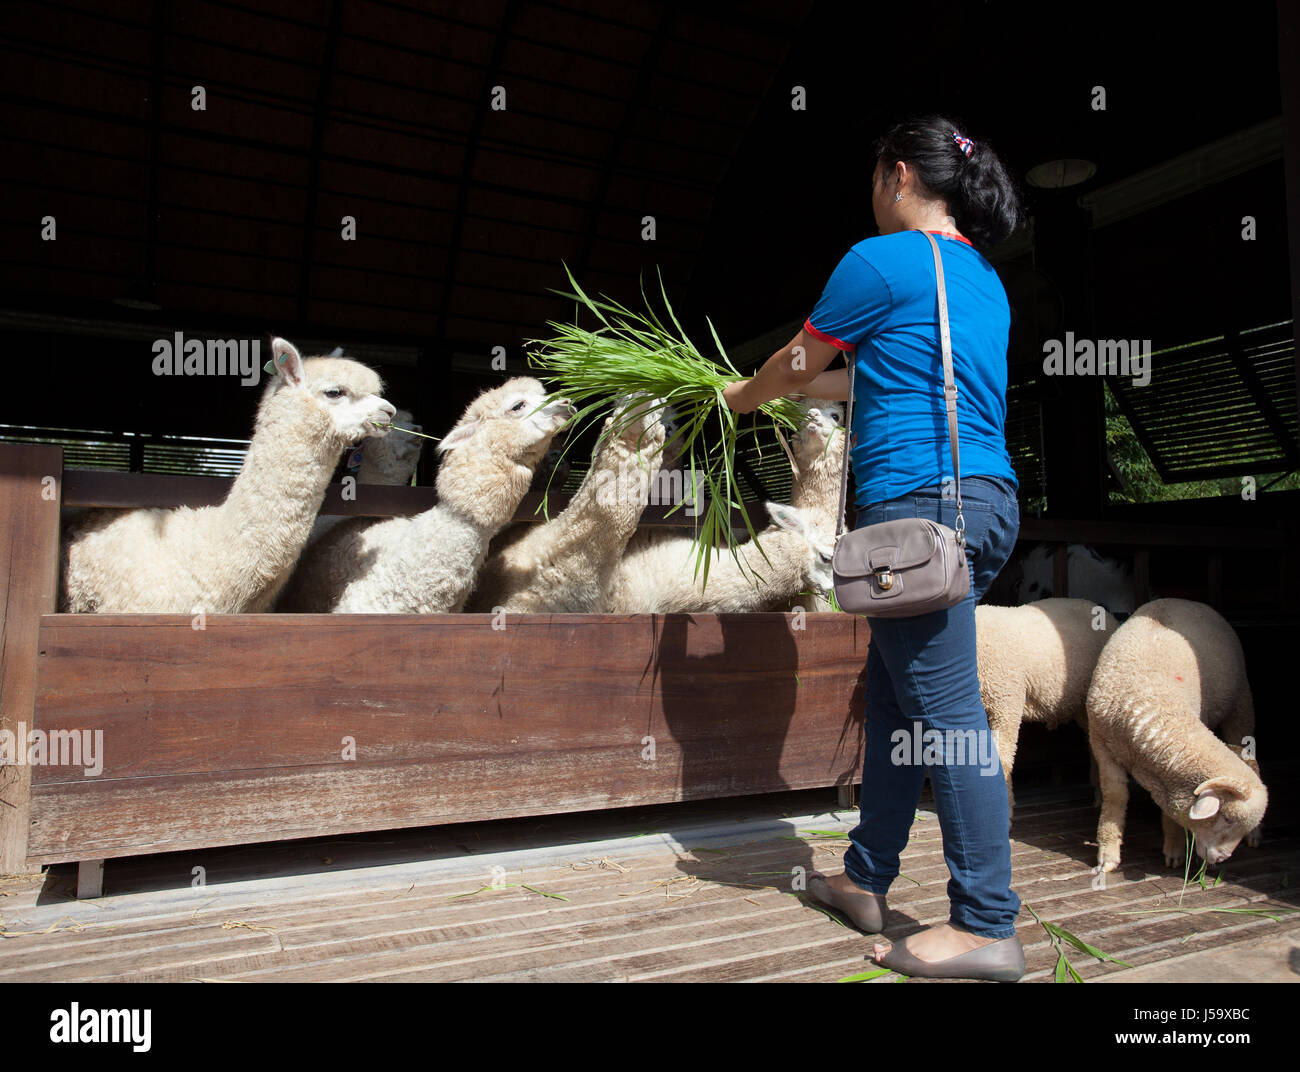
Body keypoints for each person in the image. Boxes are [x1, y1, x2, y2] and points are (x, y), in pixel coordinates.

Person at [722, 115, 1025, 981]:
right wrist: (786, 389)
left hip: (918, 511)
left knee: (951, 721)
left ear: (897, 176)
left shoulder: (878, 260)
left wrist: (736, 398)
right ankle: (863, 879)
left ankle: (986, 924)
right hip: (985, 505)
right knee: (895, 700)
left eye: (873, 179)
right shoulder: (983, 283)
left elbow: (793, 361)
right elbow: (863, 375)